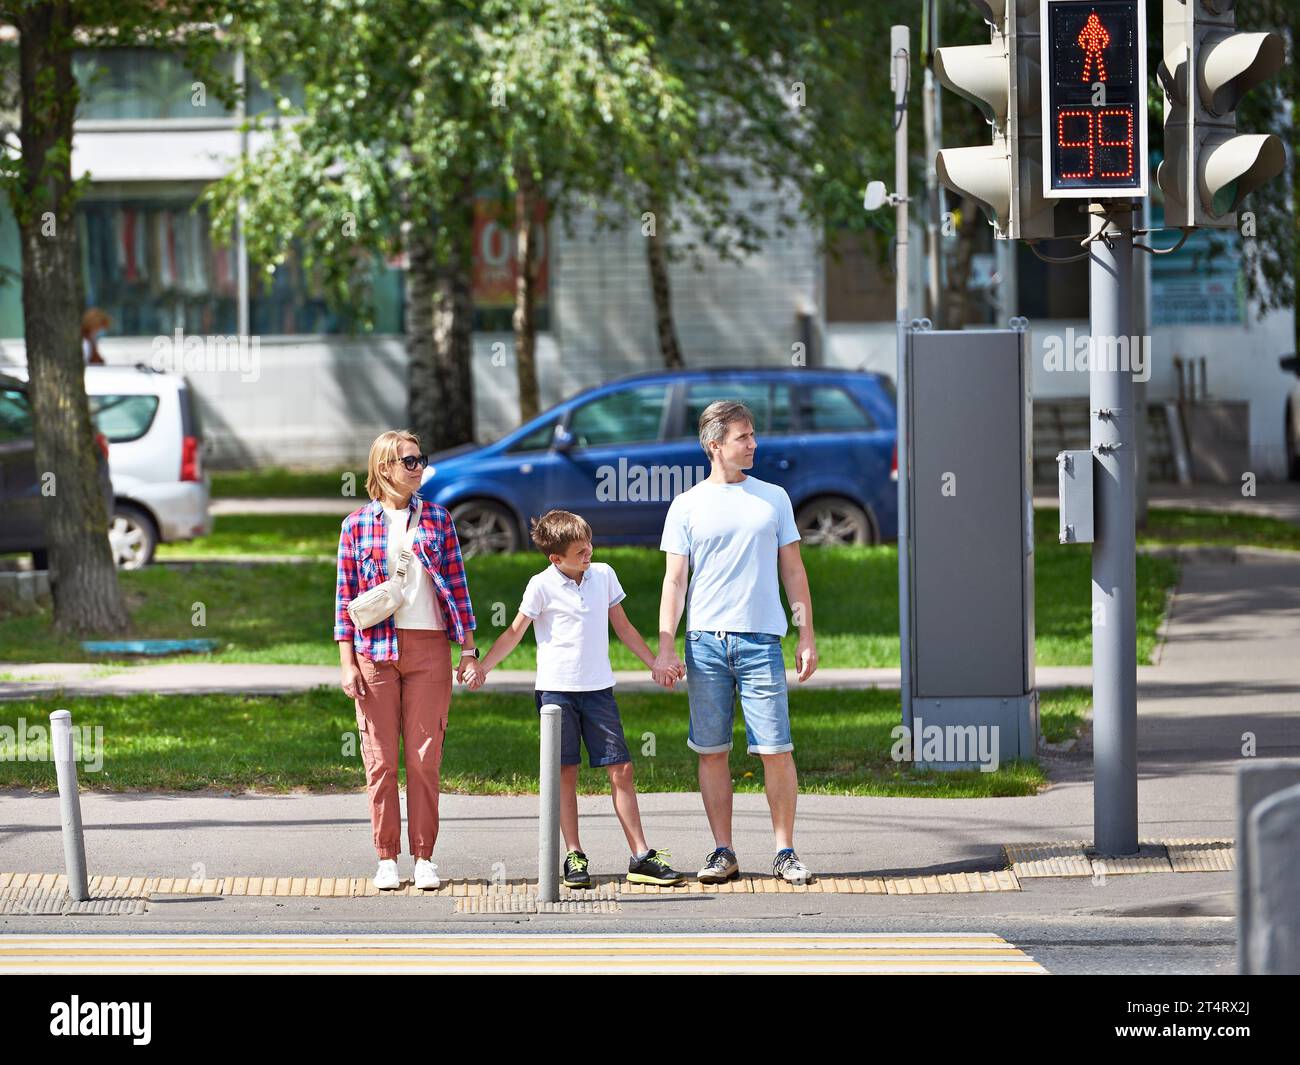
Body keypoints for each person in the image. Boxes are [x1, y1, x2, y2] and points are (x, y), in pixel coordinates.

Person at [470, 509, 686, 889]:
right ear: (556, 558)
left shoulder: (603, 576)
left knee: (621, 769)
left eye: (590, 545)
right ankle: (574, 855)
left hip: (599, 690)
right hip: (556, 693)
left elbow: (623, 626)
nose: (589, 553)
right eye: (580, 551)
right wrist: (483, 666)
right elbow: (514, 633)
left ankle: (640, 855)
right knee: (564, 775)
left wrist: (656, 662)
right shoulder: (540, 585)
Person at [654, 400, 820, 884]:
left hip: (761, 640)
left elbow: (793, 569)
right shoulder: (686, 505)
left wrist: (805, 632)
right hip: (704, 643)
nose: (753, 444)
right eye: (742, 437)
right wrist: (667, 645)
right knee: (711, 750)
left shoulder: (774, 498)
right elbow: (674, 582)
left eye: (752, 435)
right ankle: (722, 850)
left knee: (775, 749)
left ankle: (784, 851)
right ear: (714, 445)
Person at [334, 430, 482, 890]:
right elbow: (344, 601)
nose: (419, 468)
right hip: (374, 650)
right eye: (410, 462)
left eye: (420, 460)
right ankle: (385, 857)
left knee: (423, 759)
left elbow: (458, 587)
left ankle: (424, 857)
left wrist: (469, 649)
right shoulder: (355, 525)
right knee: (379, 761)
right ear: (385, 468)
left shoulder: (439, 520)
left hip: (430, 648)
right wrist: (347, 663)